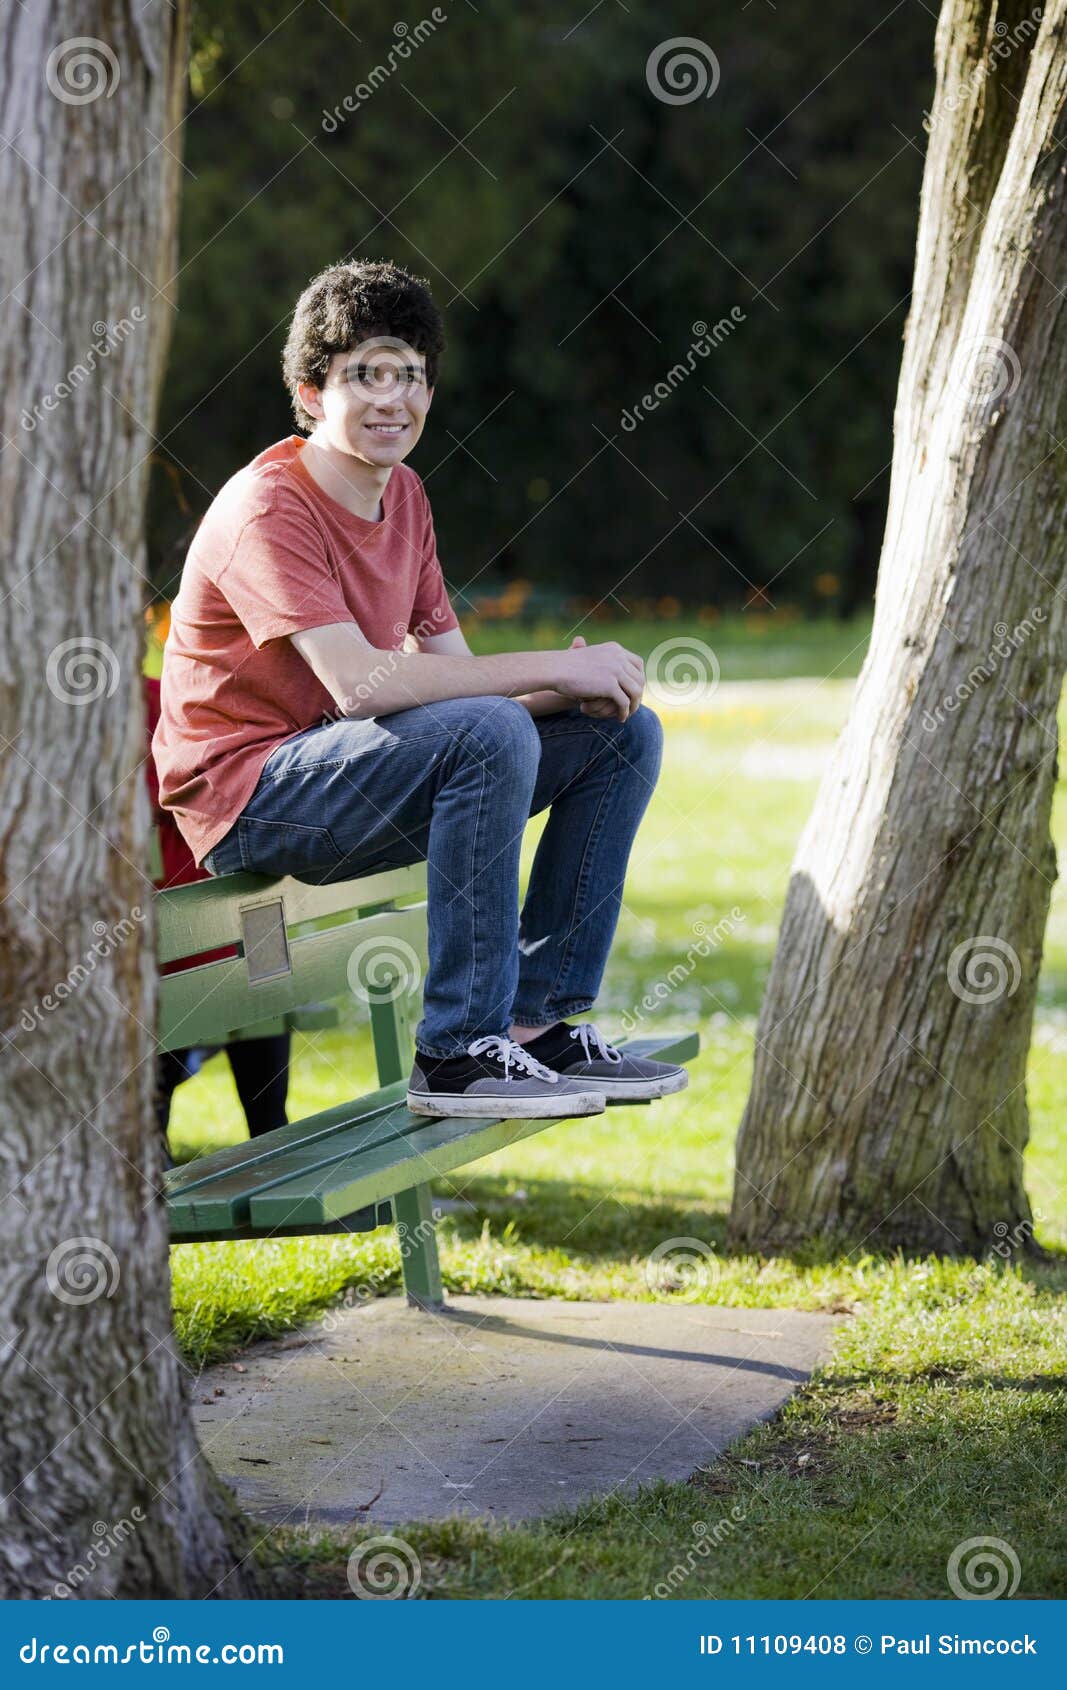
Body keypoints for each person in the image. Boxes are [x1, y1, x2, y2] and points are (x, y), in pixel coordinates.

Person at [152, 258, 687, 1120]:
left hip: (345, 776)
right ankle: (454, 1054)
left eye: (410, 376)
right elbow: (361, 684)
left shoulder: (404, 496)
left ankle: (533, 1025)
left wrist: (578, 691)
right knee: (488, 731)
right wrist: (552, 665)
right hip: (246, 797)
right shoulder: (268, 508)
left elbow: (466, 692)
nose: (391, 398)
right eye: (365, 373)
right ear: (310, 391)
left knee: (624, 735)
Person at [145, 675, 291, 1143]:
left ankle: (151, 1140)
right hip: (245, 940)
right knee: (258, 950)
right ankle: (269, 1130)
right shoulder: (181, 699)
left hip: (170, 955)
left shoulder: (109, 719)